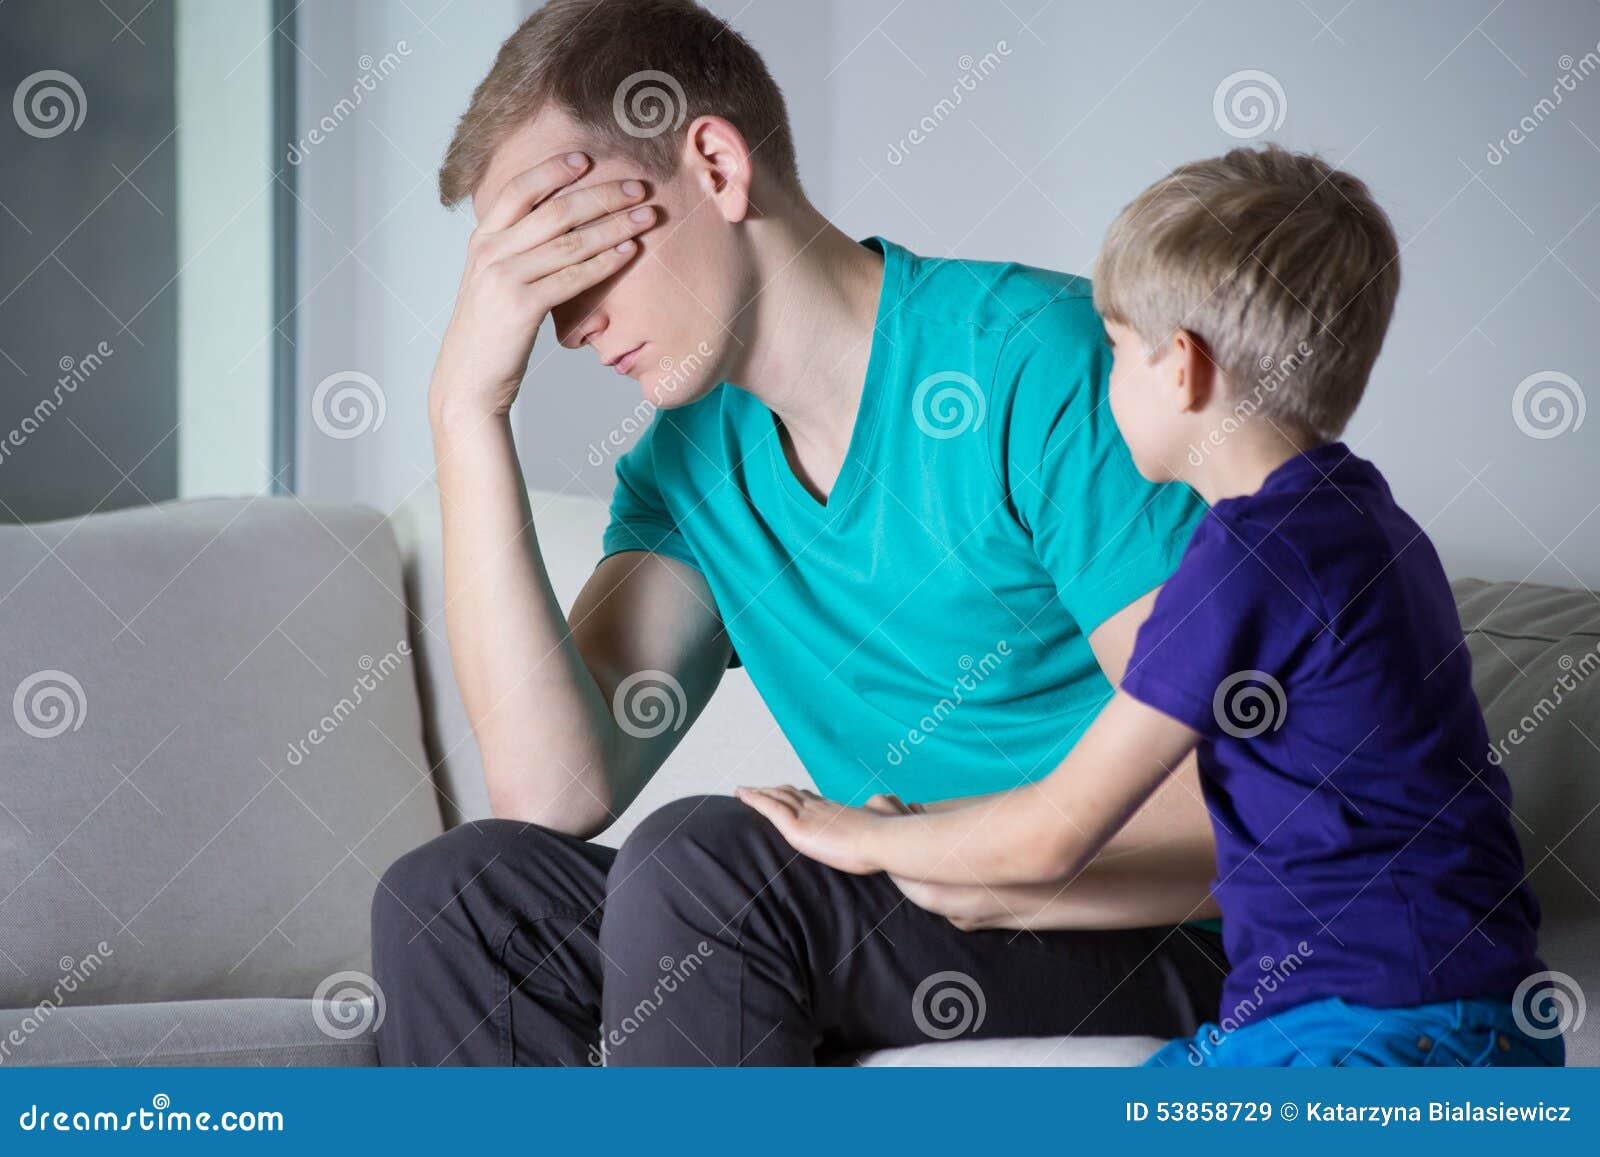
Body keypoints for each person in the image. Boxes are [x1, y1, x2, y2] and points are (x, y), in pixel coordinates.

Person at [372, 0, 1228, 1066]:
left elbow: (1232, 794)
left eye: (570, 245)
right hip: (912, 907)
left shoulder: (1033, 363)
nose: (561, 321)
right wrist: (465, 410)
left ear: (717, 167)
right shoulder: (690, 462)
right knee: (457, 895)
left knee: (709, 862)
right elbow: (554, 790)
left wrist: (919, 850)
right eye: (526, 282)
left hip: (1162, 935)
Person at [739, 145, 1560, 1068]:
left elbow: (1060, 827)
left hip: (1365, 1030)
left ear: (1183, 369)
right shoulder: (1371, 521)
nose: (1104, 381)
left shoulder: (1241, 565)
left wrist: (866, 831)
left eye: (1117, 350)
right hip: (1460, 1013)